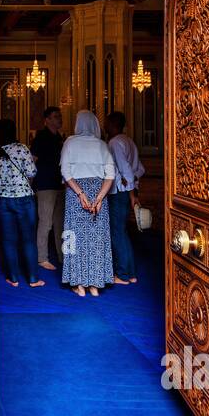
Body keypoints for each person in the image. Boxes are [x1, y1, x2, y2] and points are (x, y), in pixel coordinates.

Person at [59, 110, 115, 297]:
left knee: (74, 238)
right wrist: (98, 197)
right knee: (97, 239)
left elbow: (66, 173)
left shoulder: (69, 143)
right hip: (99, 192)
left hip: (76, 194)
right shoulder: (102, 145)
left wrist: (81, 194)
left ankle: (78, 284)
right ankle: (95, 285)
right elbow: (111, 175)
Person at [0, 118, 44, 288]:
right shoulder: (21, 148)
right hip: (23, 199)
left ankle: (13, 278)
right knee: (28, 239)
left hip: (1, 199)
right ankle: (33, 279)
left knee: (8, 240)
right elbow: (32, 172)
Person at [104, 111, 145, 285]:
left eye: (106, 123)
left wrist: (131, 195)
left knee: (117, 233)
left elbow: (126, 171)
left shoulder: (114, 142)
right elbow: (140, 170)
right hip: (126, 191)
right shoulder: (129, 141)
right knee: (123, 232)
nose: (104, 126)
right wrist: (133, 187)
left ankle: (121, 274)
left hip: (119, 193)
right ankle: (131, 273)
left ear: (113, 124)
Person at [30, 106, 66, 272]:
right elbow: (33, 160)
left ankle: (62, 255)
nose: (59, 119)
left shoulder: (60, 138)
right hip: (45, 184)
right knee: (46, 222)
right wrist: (31, 183)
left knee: (59, 223)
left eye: (59, 116)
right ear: (48, 120)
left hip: (60, 184)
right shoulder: (41, 137)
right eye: (55, 116)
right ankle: (42, 257)